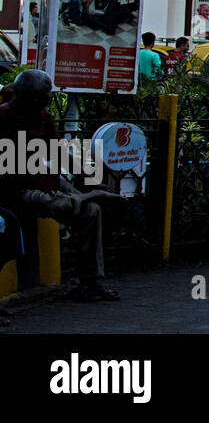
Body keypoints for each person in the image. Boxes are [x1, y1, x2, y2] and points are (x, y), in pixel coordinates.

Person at [0, 70, 124, 301]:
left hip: (45, 180)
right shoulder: (3, 118)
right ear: (27, 95)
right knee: (73, 205)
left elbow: (60, 152)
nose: (47, 99)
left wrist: (90, 177)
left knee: (91, 212)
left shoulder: (43, 117)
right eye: (43, 94)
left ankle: (90, 282)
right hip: (18, 189)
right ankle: (91, 196)